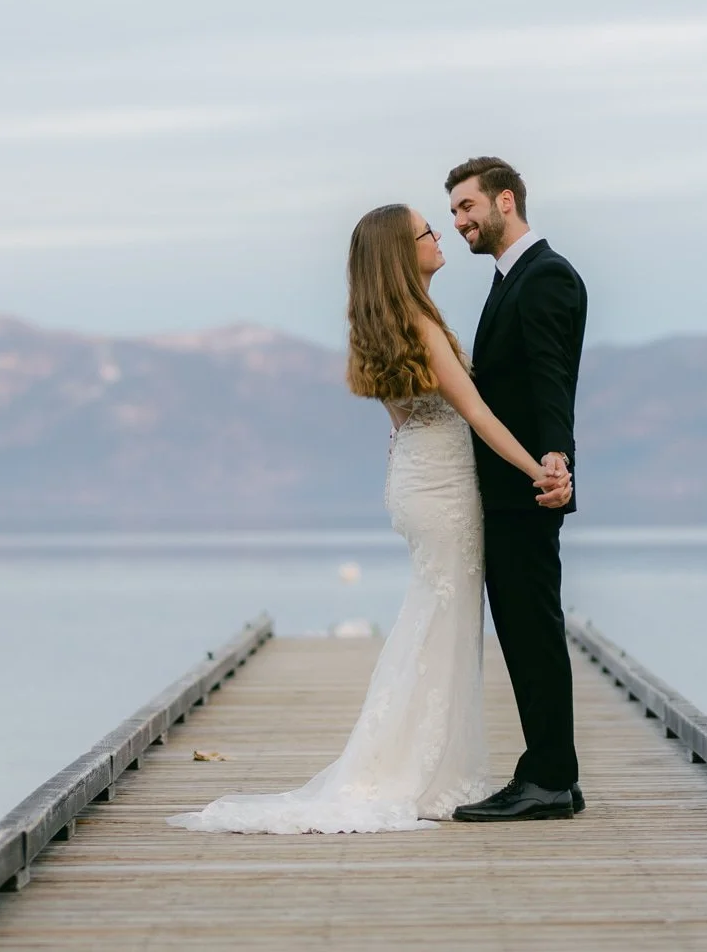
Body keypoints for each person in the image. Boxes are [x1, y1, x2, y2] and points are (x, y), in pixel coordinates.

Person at [168, 203, 567, 834]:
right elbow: (479, 415)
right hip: (443, 488)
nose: (439, 236)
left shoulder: (383, 323)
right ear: (401, 254)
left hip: (414, 475)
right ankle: (414, 771)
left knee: (438, 616)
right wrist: (538, 471)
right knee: (443, 619)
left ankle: (431, 765)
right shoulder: (422, 324)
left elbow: (404, 419)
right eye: (426, 232)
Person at [445, 156, 587, 823]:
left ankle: (550, 780)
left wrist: (555, 458)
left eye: (466, 207)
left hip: (527, 488)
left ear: (506, 201)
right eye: (452, 214)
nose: (459, 222)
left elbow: (551, 376)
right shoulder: (511, 279)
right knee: (527, 631)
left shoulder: (546, 276)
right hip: (510, 488)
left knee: (533, 633)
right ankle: (554, 771)